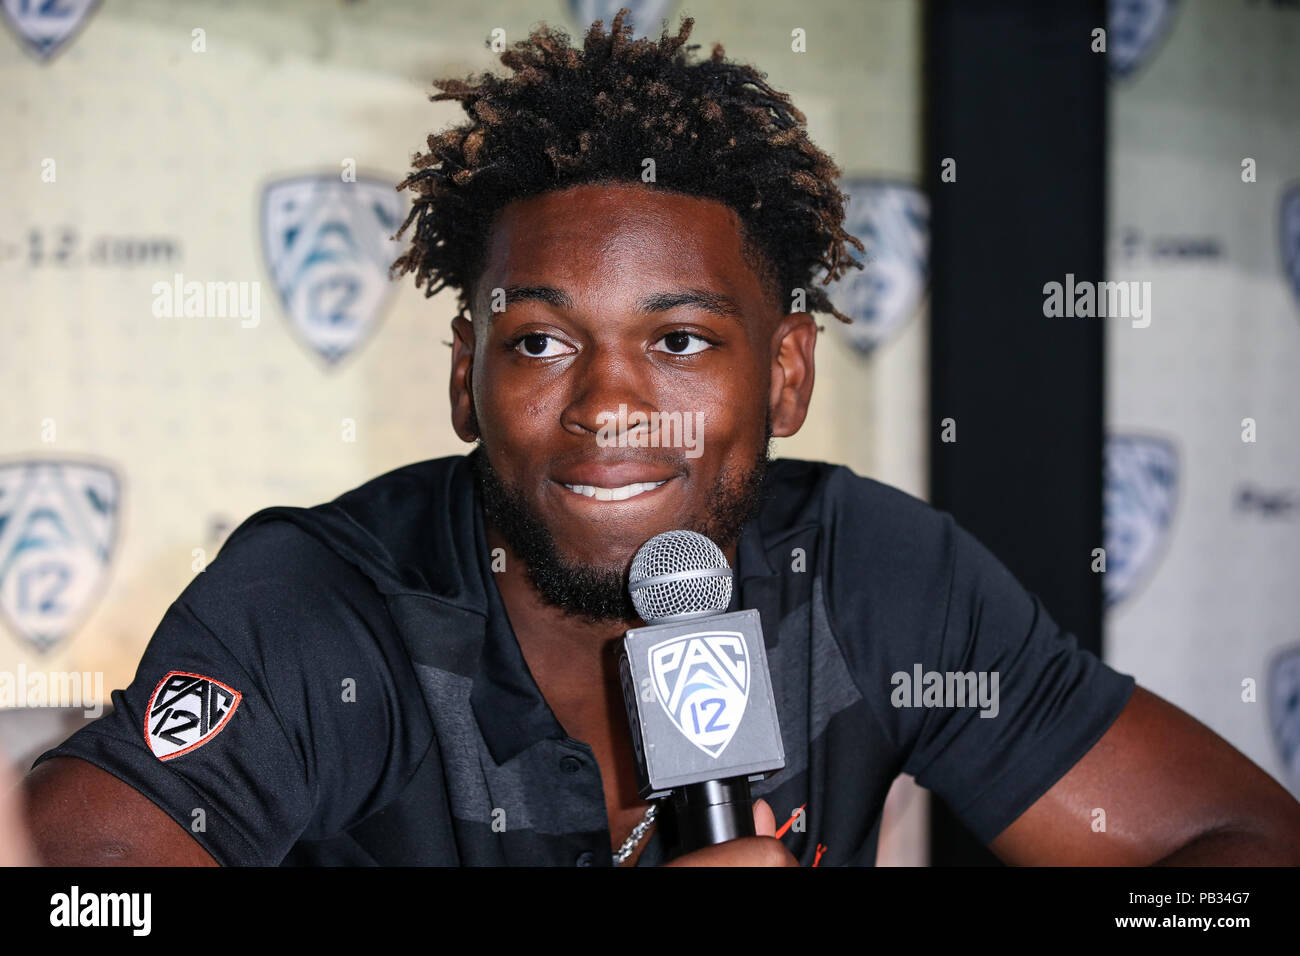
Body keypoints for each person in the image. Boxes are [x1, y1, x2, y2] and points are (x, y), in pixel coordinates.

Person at [22, 9, 1300, 867]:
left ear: (787, 374)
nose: (608, 404)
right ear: (465, 383)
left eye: (680, 338)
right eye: (537, 340)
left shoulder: (870, 572)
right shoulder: (327, 601)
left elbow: (1233, 844)